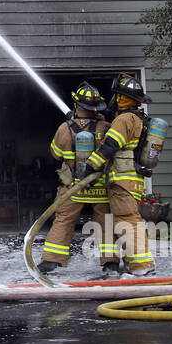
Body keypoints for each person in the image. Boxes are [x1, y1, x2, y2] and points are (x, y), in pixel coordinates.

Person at [79, 72, 156, 277]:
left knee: (127, 221)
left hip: (122, 181)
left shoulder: (123, 120)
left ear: (122, 98)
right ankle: (134, 263)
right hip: (134, 180)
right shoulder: (139, 118)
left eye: (118, 96)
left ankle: (142, 266)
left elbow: (110, 146)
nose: (116, 100)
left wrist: (91, 166)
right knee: (128, 219)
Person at [37, 82, 118, 274]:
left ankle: (51, 261)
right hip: (100, 187)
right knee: (106, 222)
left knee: (64, 220)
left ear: (76, 106)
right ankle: (111, 262)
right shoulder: (106, 127)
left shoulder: (65, 128)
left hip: (74, 187)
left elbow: (56, 154)